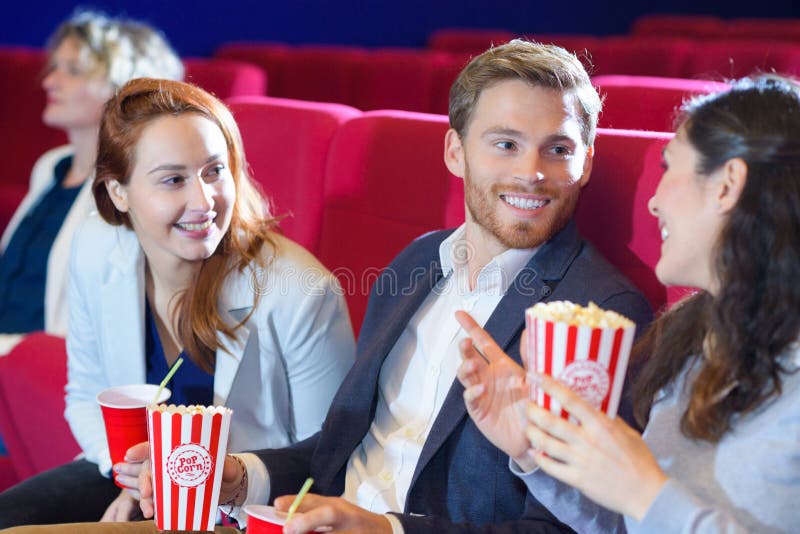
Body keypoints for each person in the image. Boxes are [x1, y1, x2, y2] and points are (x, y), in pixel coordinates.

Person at [3, 39, 651, 533]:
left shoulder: (599, 317)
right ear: (455, 152)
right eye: (505, 144)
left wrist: (386, 529)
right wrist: (240, 478)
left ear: (587, 160)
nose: (532, 172)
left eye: (558, 149)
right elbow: (336, 445)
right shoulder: (417, 264)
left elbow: (569, 527)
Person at [0, 78, 355, 528]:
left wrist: (194, 484)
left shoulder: (301, 291)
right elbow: (86, 395)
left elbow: (328, 460)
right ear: (118, 192)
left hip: (248, 502)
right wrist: (134, 478)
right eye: (173, 180)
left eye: (214, 171)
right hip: (134, 475)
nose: (203, 201)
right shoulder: (94, 245)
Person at [455, 74, 800, 533]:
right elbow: (629, 525)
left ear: (726, 185)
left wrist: (646, 492)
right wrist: (535, 451)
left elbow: (647, 505)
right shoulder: (695, 339)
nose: (654, 203)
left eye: (670, 167)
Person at [0, 11, 183, 353]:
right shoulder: (51, 166)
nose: (49, 82)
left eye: (73, 70)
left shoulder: (128, 188)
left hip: (45, 363)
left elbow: (97, 327)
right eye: (54, 68)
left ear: (123, 88)